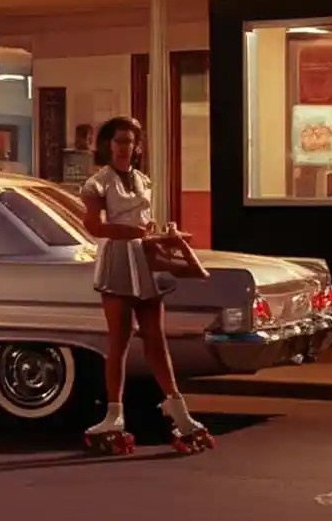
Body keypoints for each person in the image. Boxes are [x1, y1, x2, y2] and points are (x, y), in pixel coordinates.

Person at [78, 116, 214, 455]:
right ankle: (113, 413)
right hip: (117, 262)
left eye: (130, 141)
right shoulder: (98, 183)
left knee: (156, 338)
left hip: (143, 259)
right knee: (120, 340)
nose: (126, 147)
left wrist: (155, 232)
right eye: (119, 141)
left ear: (137, 147)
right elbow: (94, 225)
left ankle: (177, 408)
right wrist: (130, 233)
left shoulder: (143, 180)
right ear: (108, 145)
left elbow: (143, 221)